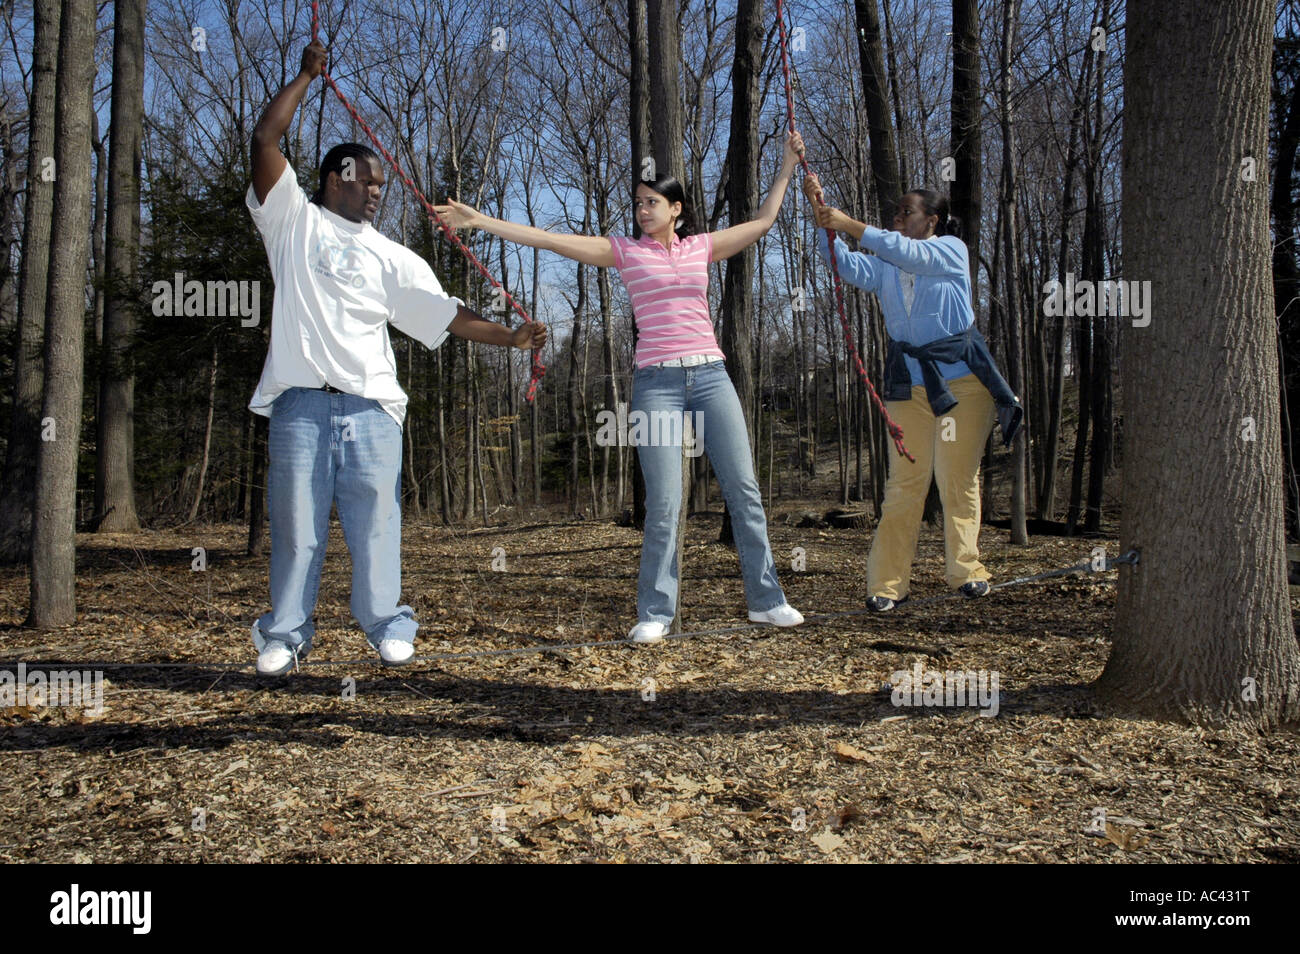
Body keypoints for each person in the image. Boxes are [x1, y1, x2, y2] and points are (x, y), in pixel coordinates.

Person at [434, 133, 809, 643]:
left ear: (676, 209)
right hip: (657, 382)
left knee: (743, 490)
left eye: (651, 202)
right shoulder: (625, 252)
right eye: (637, 203)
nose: (641, 210)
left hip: (711, 376)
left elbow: (764, 222)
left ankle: (767, 600)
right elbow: (546, 238)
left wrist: (786, 166)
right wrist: (478, 221)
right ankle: (655, 611)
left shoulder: (701, 247)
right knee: (665, 500)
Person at [247, 40, 546, 676]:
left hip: (374, 410)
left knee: (376, 527)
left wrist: (512, 338)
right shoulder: (292, 222)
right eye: (367, 180)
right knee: (298, 529)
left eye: (384, 184)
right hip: (300, 404)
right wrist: (305, 77)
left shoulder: (391, 256)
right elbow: (266, 142)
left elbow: (446, 316)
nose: (378, 192)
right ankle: (285, 635)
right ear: (335, 179)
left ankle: (387, 625)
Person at [802, 176, 1021, 611]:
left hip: (962, 383)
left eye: (907, 213)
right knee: (904, 485)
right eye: (896, 213)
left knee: (956, 479)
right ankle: (887, 586)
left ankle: (967, 571)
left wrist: (849, 223)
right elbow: (845, 265)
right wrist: (821, 214)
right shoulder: (886, 263)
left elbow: (908, 253)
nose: (898, 218)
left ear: (932, 220)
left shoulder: (948, 251)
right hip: (909, 384)